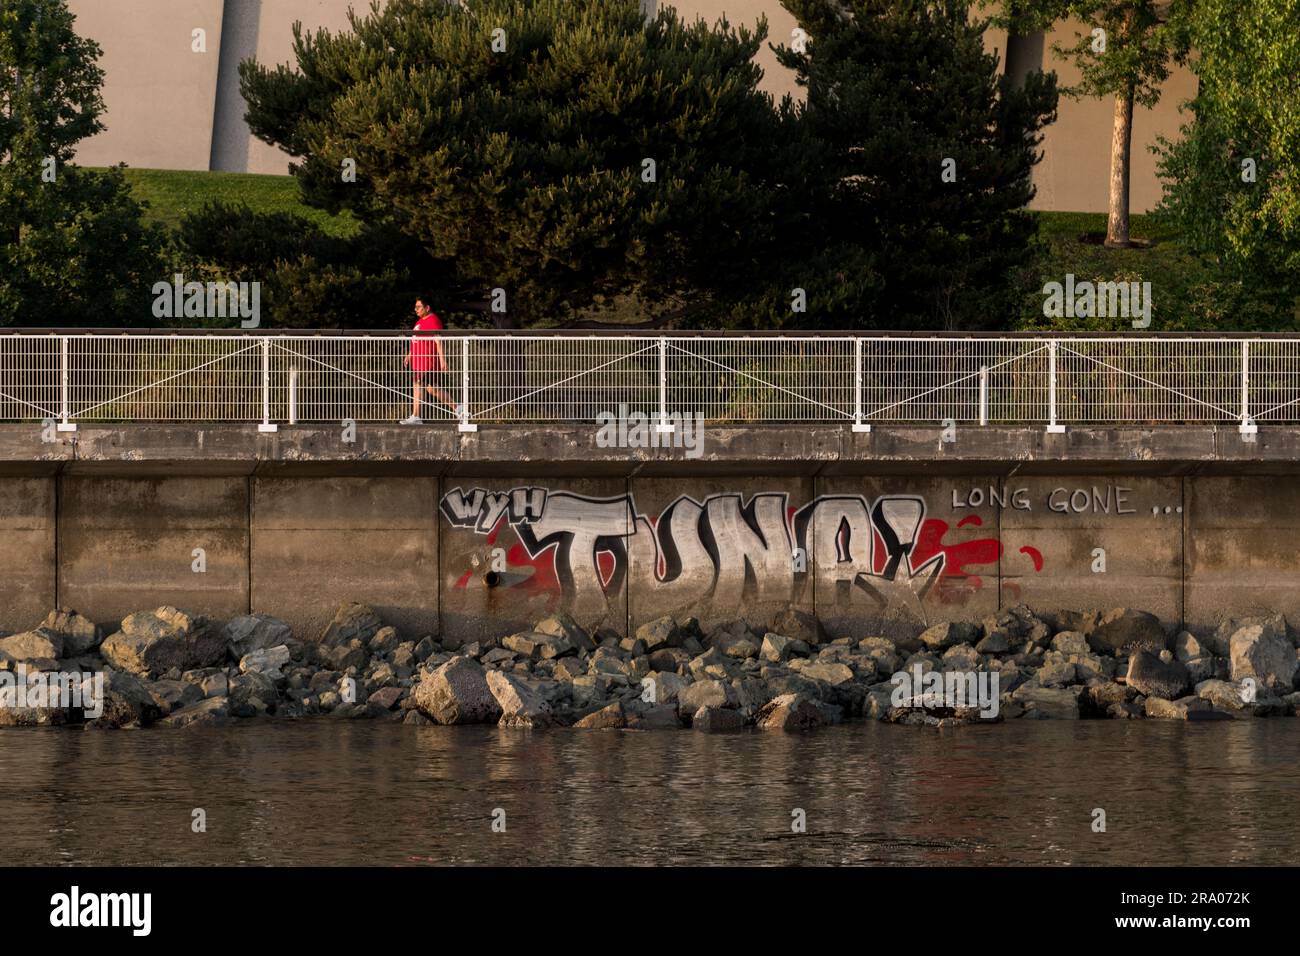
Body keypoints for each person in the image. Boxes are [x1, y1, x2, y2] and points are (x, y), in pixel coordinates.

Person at [400, 297, 459, 424]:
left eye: (418, 307)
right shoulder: (419, 322)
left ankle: (416, 416)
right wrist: (409, 354)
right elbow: (415, 340)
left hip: (427, 361)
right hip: (418, 361)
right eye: (415, 307)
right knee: (430, 388)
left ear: (427, 308)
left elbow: (438, 340)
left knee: (422, 385)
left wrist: (442, 360)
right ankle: (458, 408)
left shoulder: (433, 320)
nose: (415, 309)